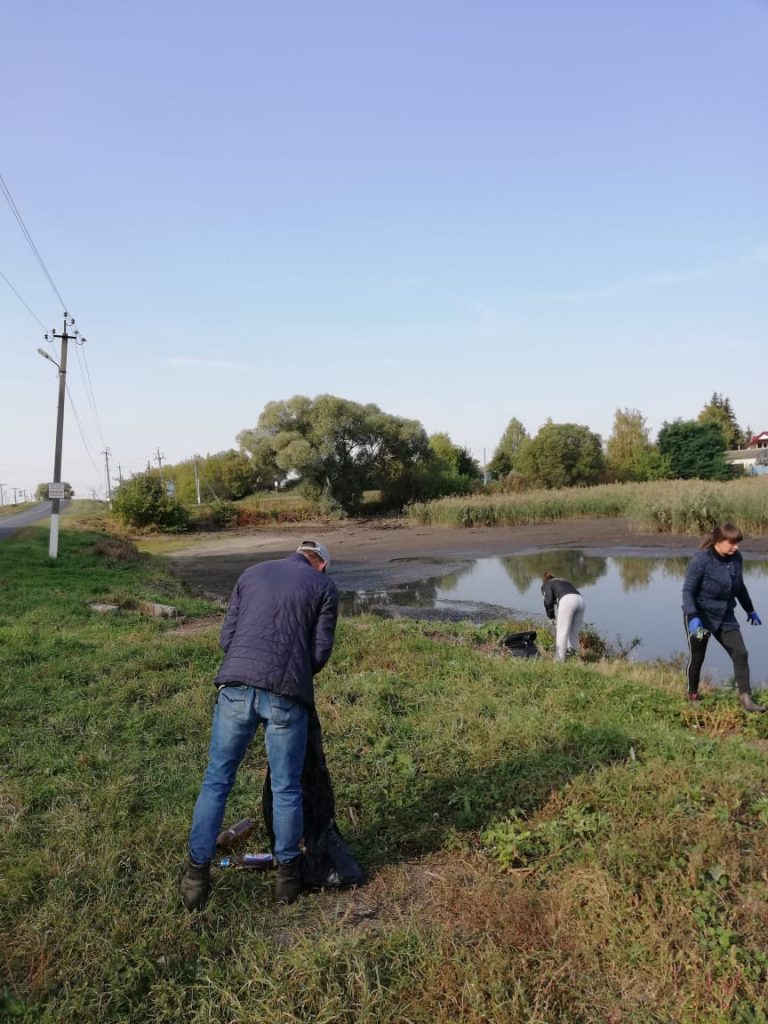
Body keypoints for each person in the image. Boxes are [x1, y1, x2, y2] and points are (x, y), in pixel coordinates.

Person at [181, 539, 339, 911]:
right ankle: (287, 880)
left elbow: (226, 639)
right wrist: (292, 674)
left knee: (217, 780)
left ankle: (195, 878)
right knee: (286, 788)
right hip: (286, 696)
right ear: (321, 565)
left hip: (234, 689)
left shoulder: (251, 573)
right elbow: (319, 653)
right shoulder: (324, 587)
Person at [682, 522, 765, 713]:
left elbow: (740, 586)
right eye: (732, 543)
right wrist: (693, 616)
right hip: (700, 616)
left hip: (725, 615)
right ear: (719, 541)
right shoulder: (701, 559)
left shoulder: (736, 558)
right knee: (697, 657)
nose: (736, 547)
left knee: (741, 653)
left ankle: (746, 699)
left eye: (737, 543)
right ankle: (692, 695)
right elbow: (688, 591)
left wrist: (749, 609)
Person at [541, 572, 585, 662]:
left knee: (562, 633)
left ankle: (558, 662)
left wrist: (551, 617)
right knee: (573, 633)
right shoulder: (562, 581)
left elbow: (548, 601)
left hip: (567, 601)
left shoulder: (546, 584)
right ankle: (574, 659)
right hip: (581, 600)